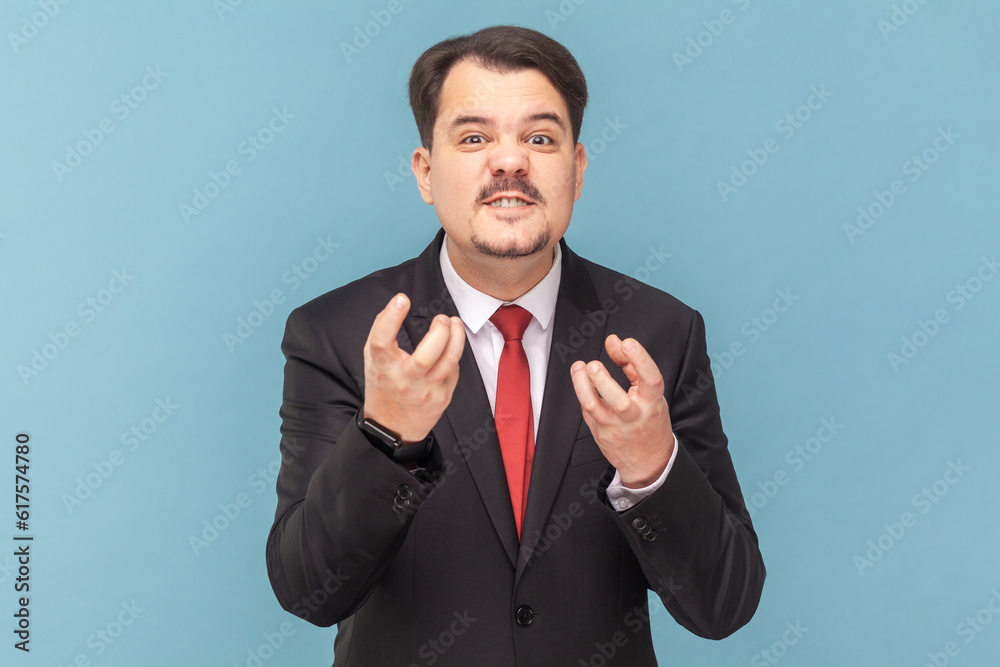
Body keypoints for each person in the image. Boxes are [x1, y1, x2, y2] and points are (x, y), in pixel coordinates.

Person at [266, 25, 765, 666]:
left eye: (539, 138)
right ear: (426, 171)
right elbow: (309, 591)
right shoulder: (340, 335)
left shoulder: (660, 332)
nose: (509, 162)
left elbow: (724, 605)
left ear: (577, 170)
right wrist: (385, 436)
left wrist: (651, 468)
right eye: (474, 138)